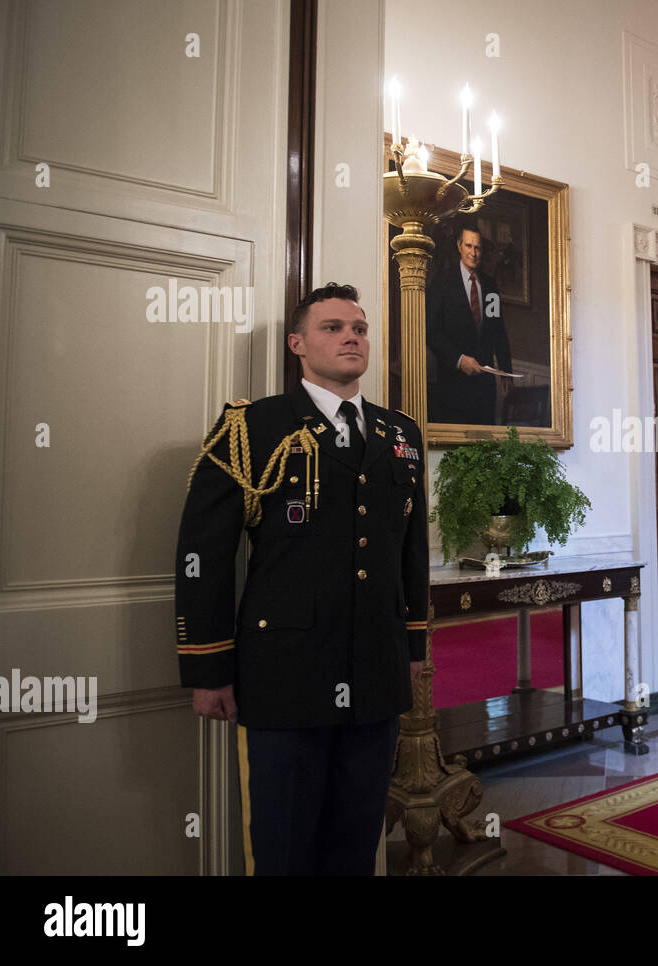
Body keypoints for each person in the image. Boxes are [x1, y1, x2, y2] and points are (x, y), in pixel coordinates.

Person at [174, 282, 430, 875]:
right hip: (284, 673)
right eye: (333, 327)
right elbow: (203, 555)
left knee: (355, 838)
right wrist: (208, 666)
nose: (351, 337)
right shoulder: (254, 427)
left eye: (360, 329)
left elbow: (409, 551)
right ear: (298, 344)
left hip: (374, 670)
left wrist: (411, 646)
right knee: (284, 843)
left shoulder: (400, 435)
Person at [425, 224, 514, 424]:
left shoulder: (490, 286)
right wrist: (458, 359)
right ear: (459, 246)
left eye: (478, 248)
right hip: (452, 387)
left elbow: (497, 331)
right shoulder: (442, 282)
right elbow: (431, 331)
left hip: (484, 389)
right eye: (468, 246)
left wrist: (506, 373)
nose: (473, 253)